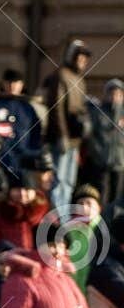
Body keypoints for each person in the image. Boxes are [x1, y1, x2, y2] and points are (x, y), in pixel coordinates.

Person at [42, 40, 91, 215]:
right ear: (71, 57)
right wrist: (61, 135)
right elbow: (57, 108)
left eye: (85, 58)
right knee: (58, 181)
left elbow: (80, 107)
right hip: (61, 139)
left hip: (75, 140)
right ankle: (56, 219)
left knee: (69, 182)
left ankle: (63, 217)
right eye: (80, 57)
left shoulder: (80, 79)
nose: (82, 62)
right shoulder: (61, 76)